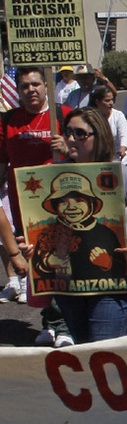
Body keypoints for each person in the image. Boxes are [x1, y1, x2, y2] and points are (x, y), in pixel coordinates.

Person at [39, 107, 127, 343]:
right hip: (68, 285)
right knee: (83, 349)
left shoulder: (123, 176)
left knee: (104, 349)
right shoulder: (51, 174)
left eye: (80, 133)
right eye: (68, 132)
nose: (71, 139)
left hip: (113, 281)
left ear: (100, 136)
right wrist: (32, 247)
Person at [0, 67, 70, 304]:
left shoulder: (65, 115)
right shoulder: (8, 121)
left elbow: (92, 157)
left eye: (36, 84)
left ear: (46, 86)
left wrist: (68, 149)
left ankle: (64, 322)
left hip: (62, 203)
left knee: (65, 261)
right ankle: (50, 319)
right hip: (25, 207)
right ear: (18, 90)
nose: (31, 90)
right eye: (24, 86)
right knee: (38, 262)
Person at [90, 85, 127, 163]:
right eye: (107, 100)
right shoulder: (92, 117)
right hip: (101, 160)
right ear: (97, 102)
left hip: (119, 159)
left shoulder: (118, 115)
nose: (111, 103)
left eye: (112, 100)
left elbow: (123, 135)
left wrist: (122, 148)